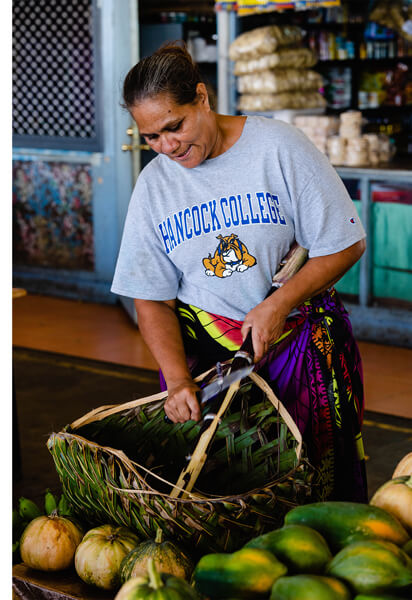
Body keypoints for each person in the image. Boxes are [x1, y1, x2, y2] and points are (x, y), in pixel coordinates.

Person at [110, 42, 368, 502]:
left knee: (312, 495)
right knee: (222, 496)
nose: (166, 147)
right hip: (208, 366)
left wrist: (278, 304)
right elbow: (150, 297)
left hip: (296, 350)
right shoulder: (155, 186)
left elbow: (345, 244)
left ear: (203, 99)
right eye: (151, 137)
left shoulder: (278, 148)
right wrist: (179, 381)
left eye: (175, 126)